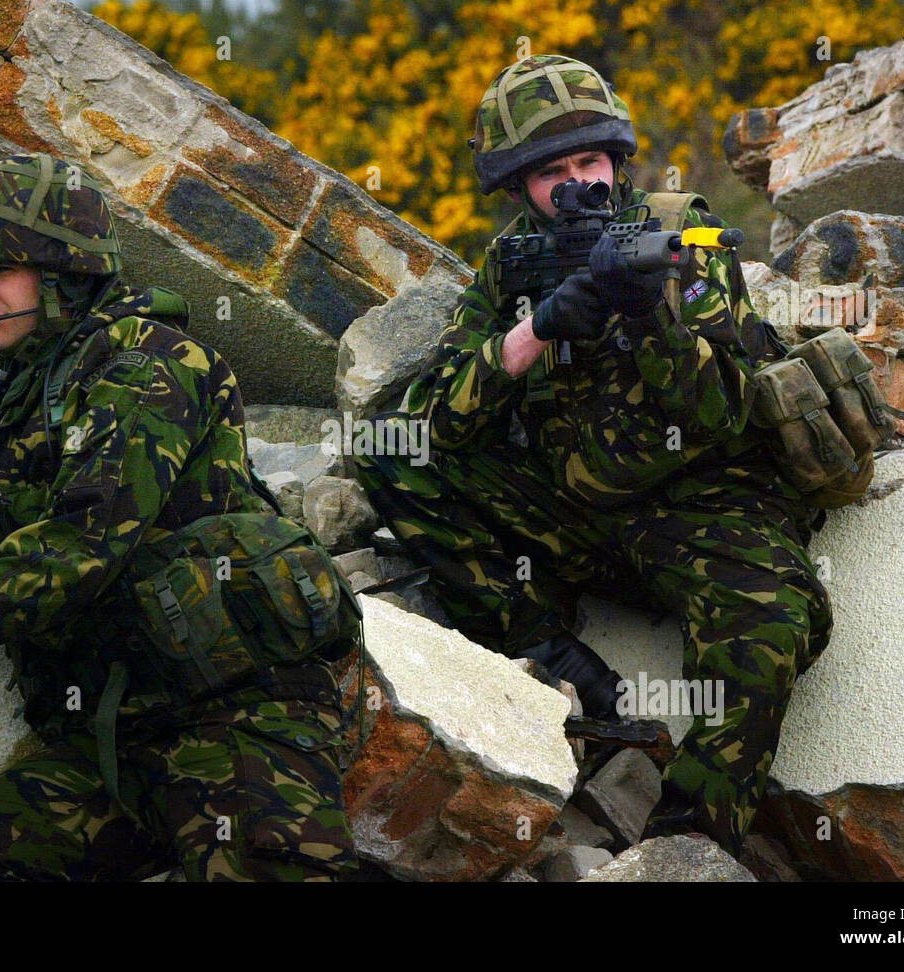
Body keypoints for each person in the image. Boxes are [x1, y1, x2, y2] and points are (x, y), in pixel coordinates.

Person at [0, 152, 360, 881]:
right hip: (107, 740)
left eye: (1, 270)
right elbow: (18, 540)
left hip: (233, 716)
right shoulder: (16, 386)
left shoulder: (152, 365)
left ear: (64, 271)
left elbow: (79, 547)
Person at [355, 55, 833, 857]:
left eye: (590, 163)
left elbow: (721, 414)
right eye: (553, 174)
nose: (579, 185)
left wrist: (650, 315)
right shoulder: (512, 263)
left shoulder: (681, 234)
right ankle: (553, 654)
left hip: (699, 512)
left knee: (777, 619)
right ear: (519, 187)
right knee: (385, 449)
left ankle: (685, 843)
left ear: (617, 159)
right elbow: (436, 423)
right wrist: (535, 330)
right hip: (577, 511)